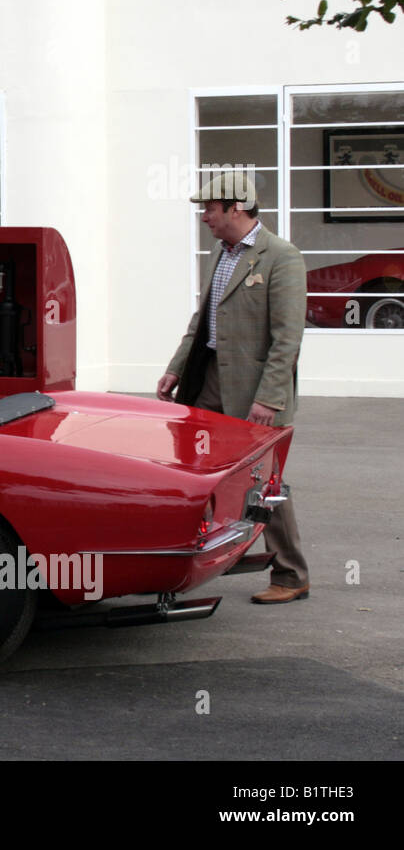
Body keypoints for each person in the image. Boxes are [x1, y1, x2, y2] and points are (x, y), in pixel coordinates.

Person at [156, 169, 310, 604]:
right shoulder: (222, 254)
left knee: (266, 481)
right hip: (208, 382)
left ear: (235, 207)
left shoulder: (282, 256)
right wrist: (176, 368)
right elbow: (202, 322)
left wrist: (269, 397)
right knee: (205, 475)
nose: (204, 216)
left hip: (255, 390)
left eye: (209, 208)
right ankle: (213, 556)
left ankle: (291, 573)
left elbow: (288, 338)